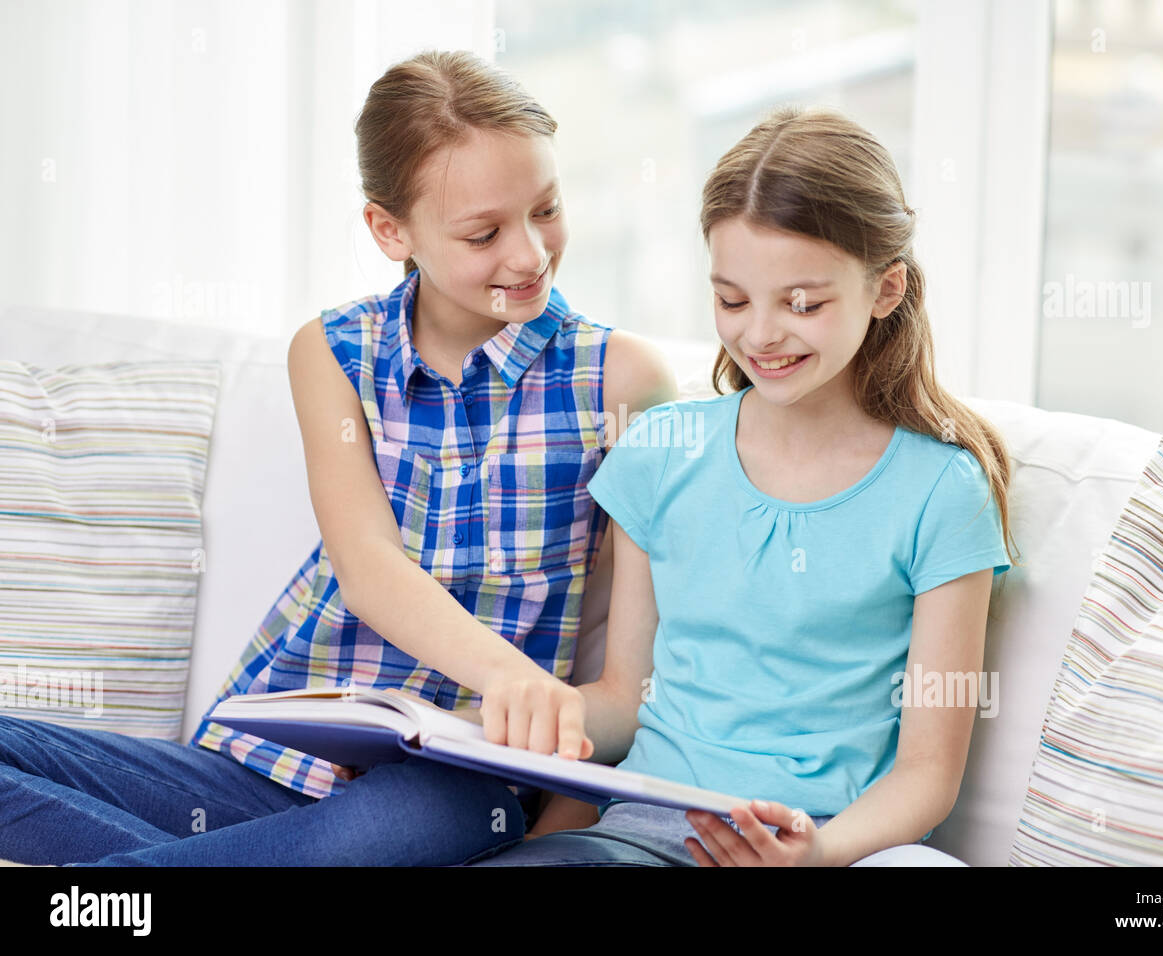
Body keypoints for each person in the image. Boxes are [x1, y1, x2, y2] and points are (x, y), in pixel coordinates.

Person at [0, 49, 675, 866]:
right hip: (260, 776)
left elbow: (624, 698)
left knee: (409, 817)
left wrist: (548, 772)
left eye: (547, 209)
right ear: (391, 231)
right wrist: (509, 674)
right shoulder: (332, 351)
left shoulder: (621, 381)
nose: (530, 254)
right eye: (484, 233)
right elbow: (367, 565)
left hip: (449, 793)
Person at [465, 105, 1022, 867]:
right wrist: (504, 724)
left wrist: (817, 851)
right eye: (732, 300)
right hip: (643, 835)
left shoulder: (942, 491)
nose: (760, 334)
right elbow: (626, 699)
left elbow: (926, 776)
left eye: (803, 303)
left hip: (829, 846)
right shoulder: (661, 451)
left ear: (885, 289)